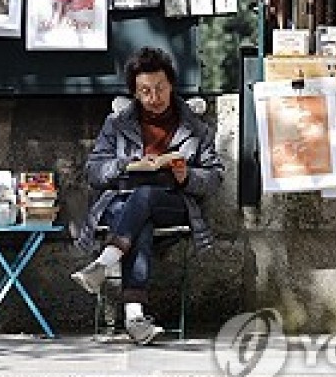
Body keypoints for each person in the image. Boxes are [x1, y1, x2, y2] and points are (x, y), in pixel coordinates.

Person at [71, 46, 223, 345]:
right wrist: (124, 164)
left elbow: (215, 177)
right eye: (145, 91)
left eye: (160, 89)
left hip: (174, 202)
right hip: (122, 202)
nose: (153, 98)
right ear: (134, 93)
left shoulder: (195, 127)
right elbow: (93, 171)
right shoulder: (116, 123)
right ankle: (134, 317)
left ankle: (106, 260)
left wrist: (187, 176)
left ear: (171, 86)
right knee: (140, 216)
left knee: (146, 198)